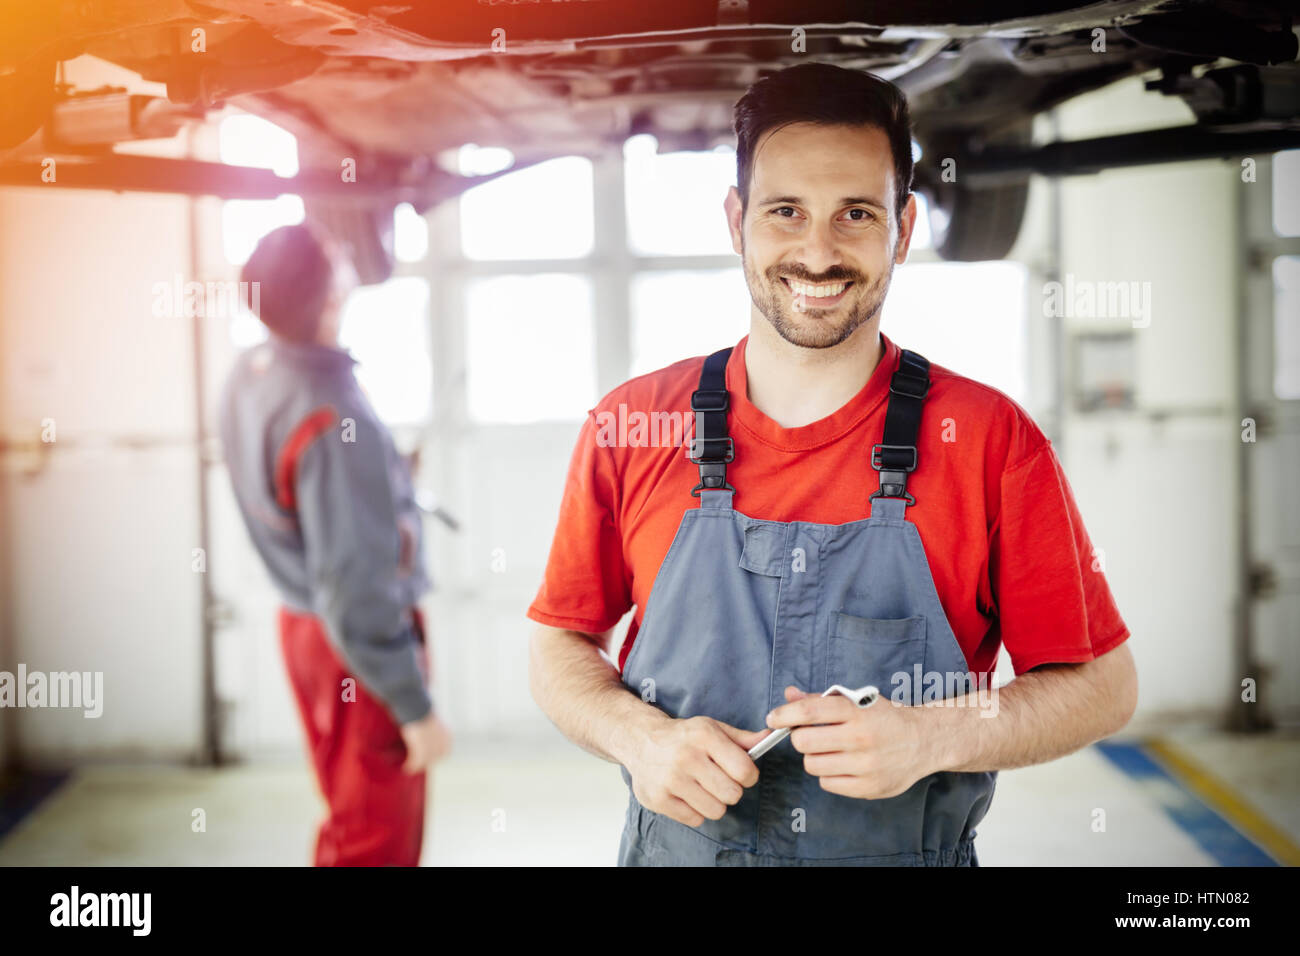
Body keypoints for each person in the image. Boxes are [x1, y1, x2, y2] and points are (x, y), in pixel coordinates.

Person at [527, 63, 1137, 866]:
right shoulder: (632, 426)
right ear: (737, 220)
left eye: (856, 213)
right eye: (786, 212)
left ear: (905, 228)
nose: (818, 253)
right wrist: (636, 737)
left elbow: (1103, 687)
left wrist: (931, 735)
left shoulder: (990, 440)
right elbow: (558, 642)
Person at [218, 222, 451, 866]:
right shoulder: (332, 411)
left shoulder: (251, 371)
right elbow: (354, 585)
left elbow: (289, 485)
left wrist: (380, 480)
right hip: (359, 645)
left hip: (305, 627)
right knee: (376, 838)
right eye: (337, 257)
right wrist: (414, 708)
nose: (350, 258)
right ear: (328, 301)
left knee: (350, 816)